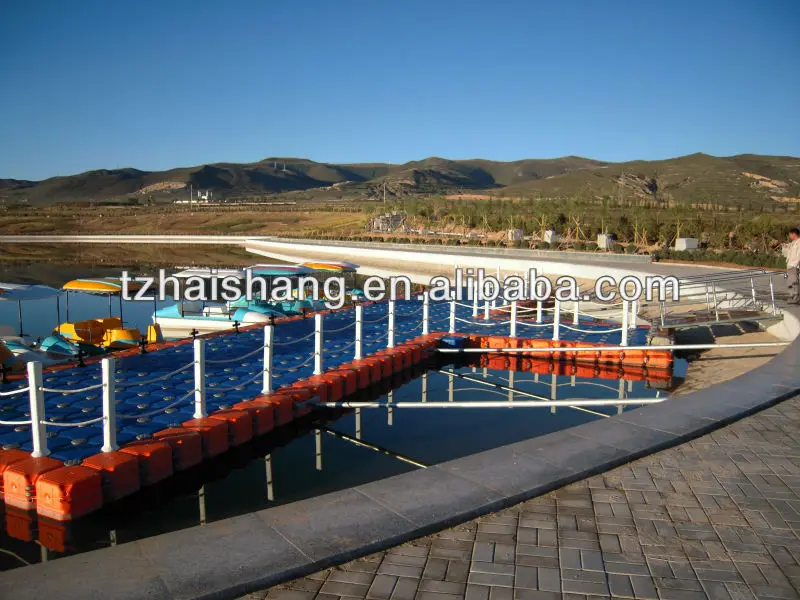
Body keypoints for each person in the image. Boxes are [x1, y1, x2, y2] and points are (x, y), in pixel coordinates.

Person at [782, 228, 800, 304]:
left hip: (794, 265)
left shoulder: (799, 243)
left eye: (790, 234)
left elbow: (799, 255)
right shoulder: (792, 243)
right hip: (790, 265)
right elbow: (785, 254)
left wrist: (795, 264)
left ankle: (796, 297)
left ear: (794, 234)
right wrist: (785, 246)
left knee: (794, 281)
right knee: (790, 281)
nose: (789, 236)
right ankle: (792, 296)